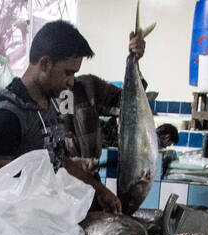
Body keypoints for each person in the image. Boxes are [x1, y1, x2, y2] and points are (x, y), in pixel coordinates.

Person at [0, 21, 121, 213]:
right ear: (45, 63)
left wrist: (99, 190)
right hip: (24, 231)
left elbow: (60, 161)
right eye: (68, 72)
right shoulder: (7, 115)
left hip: (52, 223)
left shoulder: (49, 103)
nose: (71, 81)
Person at [62, 33, 147, 166]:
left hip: (89, 182)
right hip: (57, 184)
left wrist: (134, 62)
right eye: (67, 72)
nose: (71, 81)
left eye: (74, 72)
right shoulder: (34, 107)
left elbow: (130, 105)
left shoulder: (87, 87)